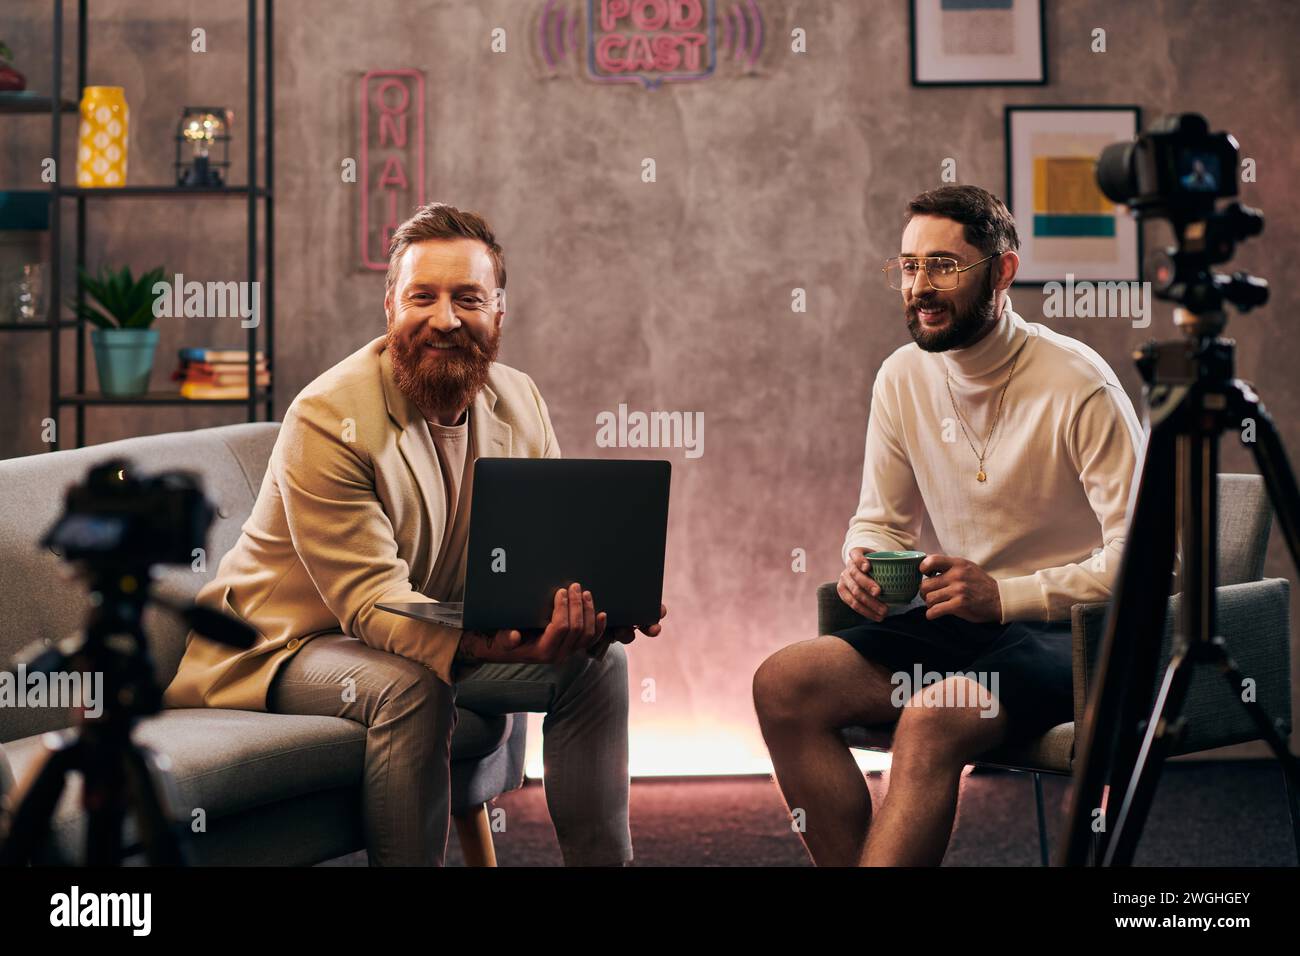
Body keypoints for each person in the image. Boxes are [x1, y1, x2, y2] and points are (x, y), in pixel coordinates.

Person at [164, 201, 666, 866]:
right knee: (410, 687)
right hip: (285, 646)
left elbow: (550, 548)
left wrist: (598, 606)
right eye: (422, 296)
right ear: (391, 307)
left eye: (468, 298)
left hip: (433, 628)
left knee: (598, 665)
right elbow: (370, 603)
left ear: (499, 312)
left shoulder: (520, 399)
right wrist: (482, 641)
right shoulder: (326, 415)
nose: (446, 318)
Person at [752, 184, 1141, 866]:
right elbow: (881, 520)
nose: (920, 286)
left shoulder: (1079, 384)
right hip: (964, 623)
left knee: (930, 720)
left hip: (1074, 636)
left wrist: (1007, 596)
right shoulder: (903, 376)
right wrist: (867, 560)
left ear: (1003, 271)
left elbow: (1146, 562)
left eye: (944, 265)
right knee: (784, 683)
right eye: (908, 266)